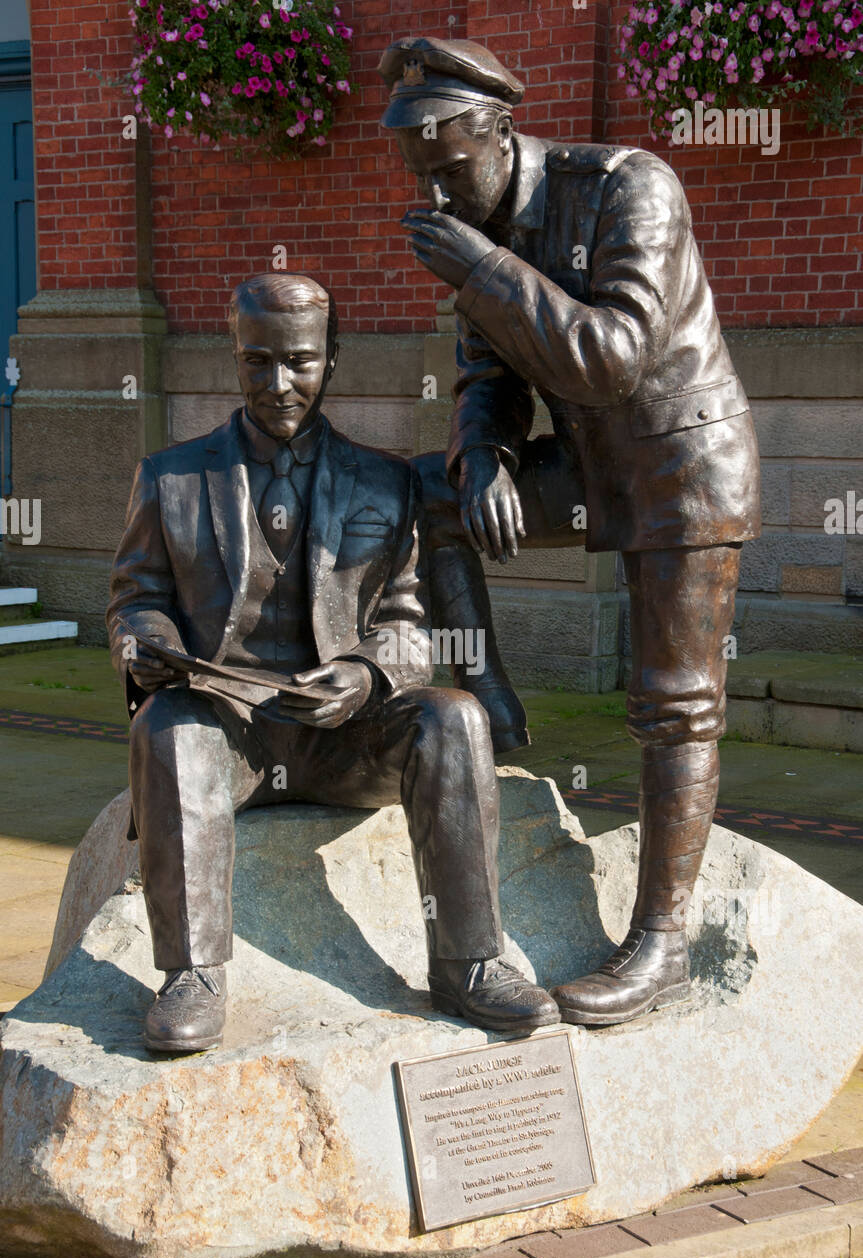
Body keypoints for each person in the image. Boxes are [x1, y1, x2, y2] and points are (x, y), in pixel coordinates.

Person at [379, 37, 761, 1026]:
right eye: (421, 176)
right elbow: (484, 382)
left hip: (681, 464)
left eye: (452, 169)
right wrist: (487, 460)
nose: (438, 195)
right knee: (419, 496)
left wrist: (485, 269)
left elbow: (611, 356)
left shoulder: (627, 188)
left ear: (502, 131)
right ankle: (491, 710)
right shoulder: (472, 230)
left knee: (673, 703)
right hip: (590, 465)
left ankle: (661, 943)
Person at [107, 272, 559, 1052]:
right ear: (235, 357)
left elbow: (408, 623)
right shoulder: (170, 478)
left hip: (346, 737)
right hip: (228, 731)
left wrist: (363, 676)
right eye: (258, 362)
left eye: (300, 362)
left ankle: (469, 962)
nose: (279, 384)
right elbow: (134, 598)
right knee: (168, 730)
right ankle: (193, 973)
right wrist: (141, 640)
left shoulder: (385, 479)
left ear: (331, 359)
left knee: (453, 716)